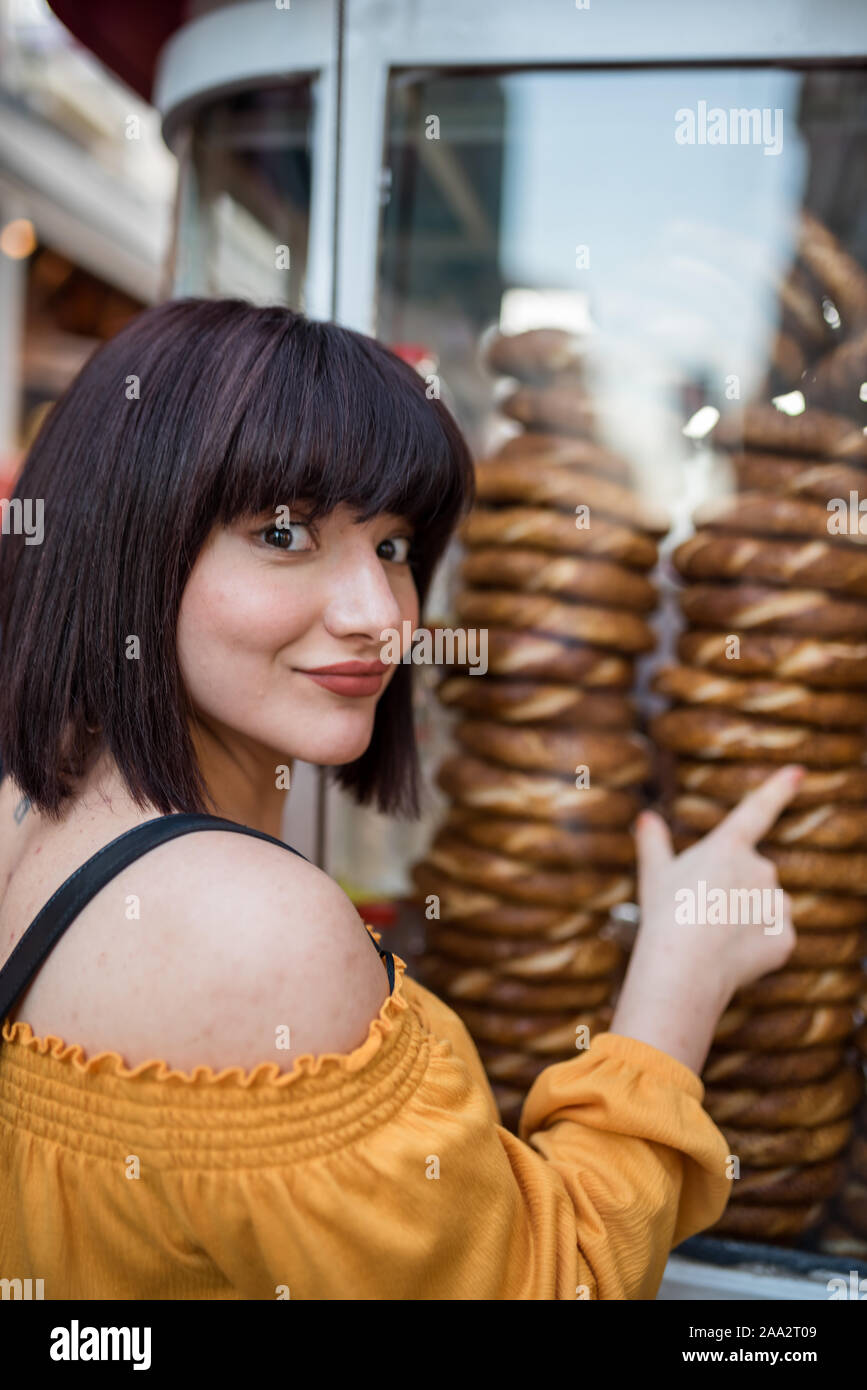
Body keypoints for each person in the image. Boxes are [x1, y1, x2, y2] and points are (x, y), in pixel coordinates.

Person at [0, 298, 801, 1301]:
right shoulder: (255, 933)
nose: (381, 617)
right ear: (125, 538)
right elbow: (554, 1288)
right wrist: (680, 978)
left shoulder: (31, 809)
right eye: (284, 533)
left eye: (393, 546)